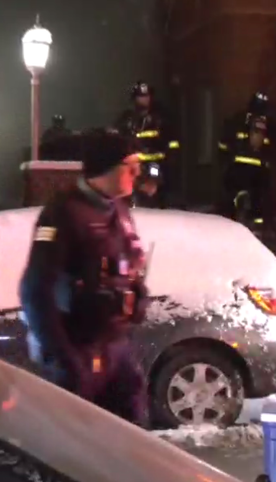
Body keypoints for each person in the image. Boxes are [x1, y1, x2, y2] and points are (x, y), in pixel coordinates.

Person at [18, 128, 152, 427]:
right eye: (130, 165)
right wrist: (66, 359)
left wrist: (138, 294)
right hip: (81, 349)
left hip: (115, 349)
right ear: (106, 167)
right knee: (79, 445)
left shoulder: (118, 211)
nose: (137, 172)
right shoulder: (63, 213)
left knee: (132, 431)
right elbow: (34, 291)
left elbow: (127, 264)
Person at [115, 81, 180, 208]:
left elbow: (172, 142)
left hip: (155, 165)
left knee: (153, 194)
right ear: (134, 99)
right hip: (133, 165)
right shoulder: (127, 120)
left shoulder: (160, 119)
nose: (144, 99)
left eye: (146, 96)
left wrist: (171, 158)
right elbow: (119, 138)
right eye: (140, 96)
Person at [220, 114, 275, 230]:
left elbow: (266, 182)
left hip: (256, 201)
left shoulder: (265, 155)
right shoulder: (239, 151)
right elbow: (230, 177)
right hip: (238, 191)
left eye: (261, 133)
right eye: (256, 132)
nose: (258, 137)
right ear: (249, 133)